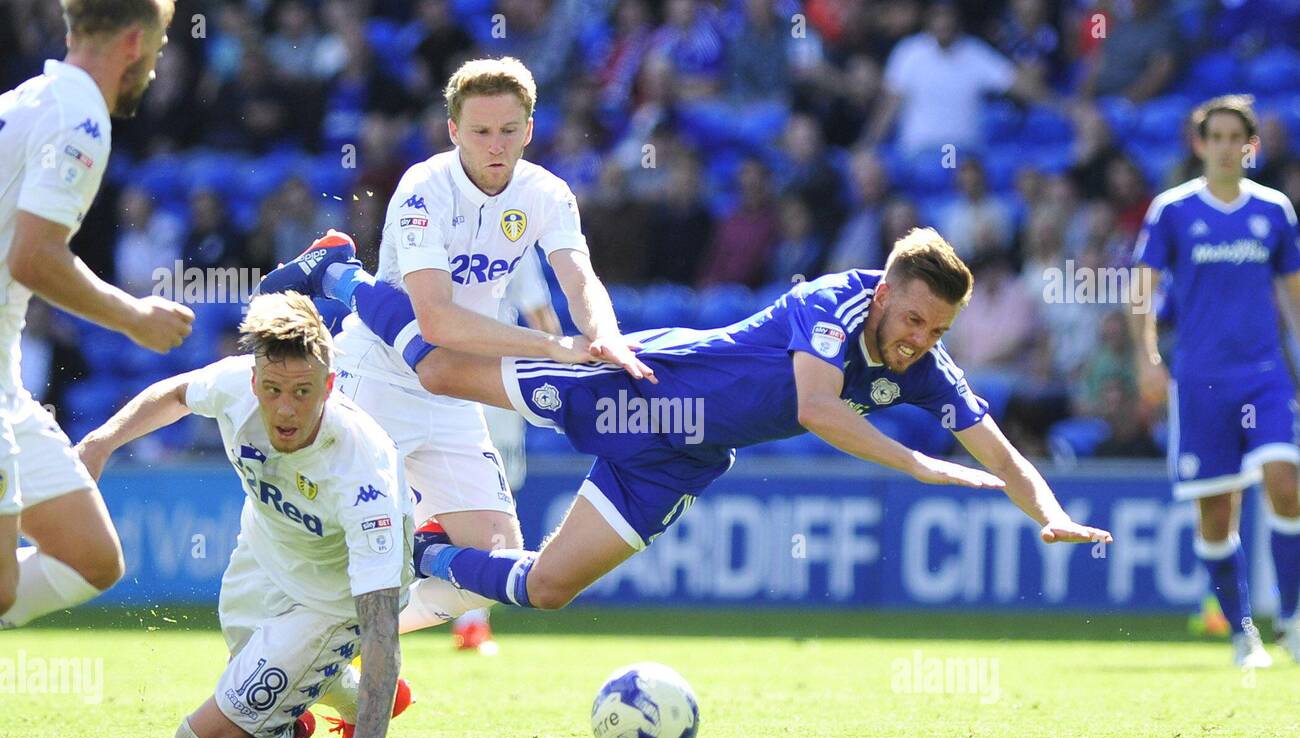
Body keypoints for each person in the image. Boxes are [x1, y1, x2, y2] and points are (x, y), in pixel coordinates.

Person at [276, 226, 1112, 617]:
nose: (920, 344)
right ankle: (341, 272)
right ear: (887, 293)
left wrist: (1052, 513)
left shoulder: (920, 365)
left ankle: (420, 550)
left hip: (684, 456)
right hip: (641, 385)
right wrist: (924, 469)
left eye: (938, 334)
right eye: (916, 322)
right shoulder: (836, 300)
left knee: (546, 588)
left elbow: (1002, 454)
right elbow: (819, 409)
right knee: (438, 367)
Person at [262, 57, 649, 653]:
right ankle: (290, 655)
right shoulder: (423, 189)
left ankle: (368, 628)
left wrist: (604, 333)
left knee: (493, 567)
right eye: (480, 132)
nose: (495, 146)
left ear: (529, 129)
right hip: (379, 374)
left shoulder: (547, 193)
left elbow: (579, 279)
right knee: (330, 550)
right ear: (453, 131)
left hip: (454, 390)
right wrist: (551, 347)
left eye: (507, 131)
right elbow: (436, 319)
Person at [76, 294, 413, 738]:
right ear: (253, 380)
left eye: (303, 392)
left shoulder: (362, 469)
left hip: (337, 596)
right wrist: (99, 443)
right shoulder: (235, 383)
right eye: (272, 389)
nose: (285, 410)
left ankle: (363, 709)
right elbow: (175, 395)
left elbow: (380, 621)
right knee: (245, 648)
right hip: (265, 548)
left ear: (330, 386)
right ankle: (327, 708)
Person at [0, 0, 193, 632]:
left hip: (8, 378)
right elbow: (34, 257)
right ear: (136, 42)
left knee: (91, 559)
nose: (157, 65)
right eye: (161, 49)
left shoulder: (29, 97)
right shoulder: (80, 115)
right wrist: (134, 315)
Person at [1131, 95, 1300, 668]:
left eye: (1238, 138)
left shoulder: (1275, 211)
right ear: (1200, 144)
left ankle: (1294, 620)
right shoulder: (1173, 211)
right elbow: (1143, 286)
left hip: (1265, 376)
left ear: (1251, 147)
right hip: (1201, 382)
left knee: (1285, 482)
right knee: (1216, 515)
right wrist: (1146, 357)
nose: (1228, 147)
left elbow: (1294, 296)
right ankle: (1241, 632)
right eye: (1217, 137)